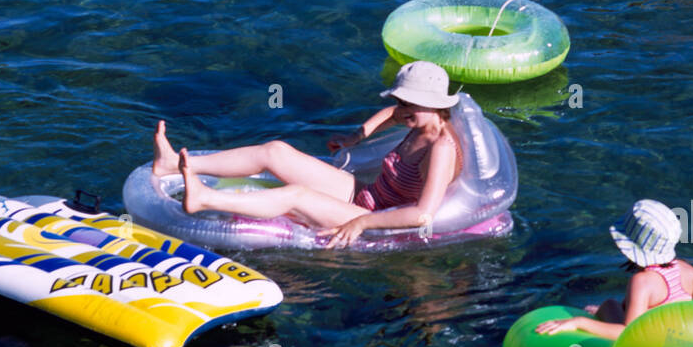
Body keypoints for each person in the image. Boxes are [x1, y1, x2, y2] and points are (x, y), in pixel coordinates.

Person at [153, 61, 464, 249]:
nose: (403, 109)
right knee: (276, 151)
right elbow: (391, 114)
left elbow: (423, 214)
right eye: (401, 101)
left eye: (410, 103)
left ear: (437, 105)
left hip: (374, 218)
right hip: (365, 195)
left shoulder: (440, 148)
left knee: (297, 195)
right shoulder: (417, 118)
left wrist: (363, 224)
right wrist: (356, 136)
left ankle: (204, 199)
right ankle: (176, 164)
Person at [536, 199, 693, 340]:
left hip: (651, 345)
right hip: (681, 337)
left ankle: (599, 314)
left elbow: (628, 333)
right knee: (616, 306)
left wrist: (579, 322)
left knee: (608, 305)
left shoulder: (643, 281)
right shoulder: (686, 271)